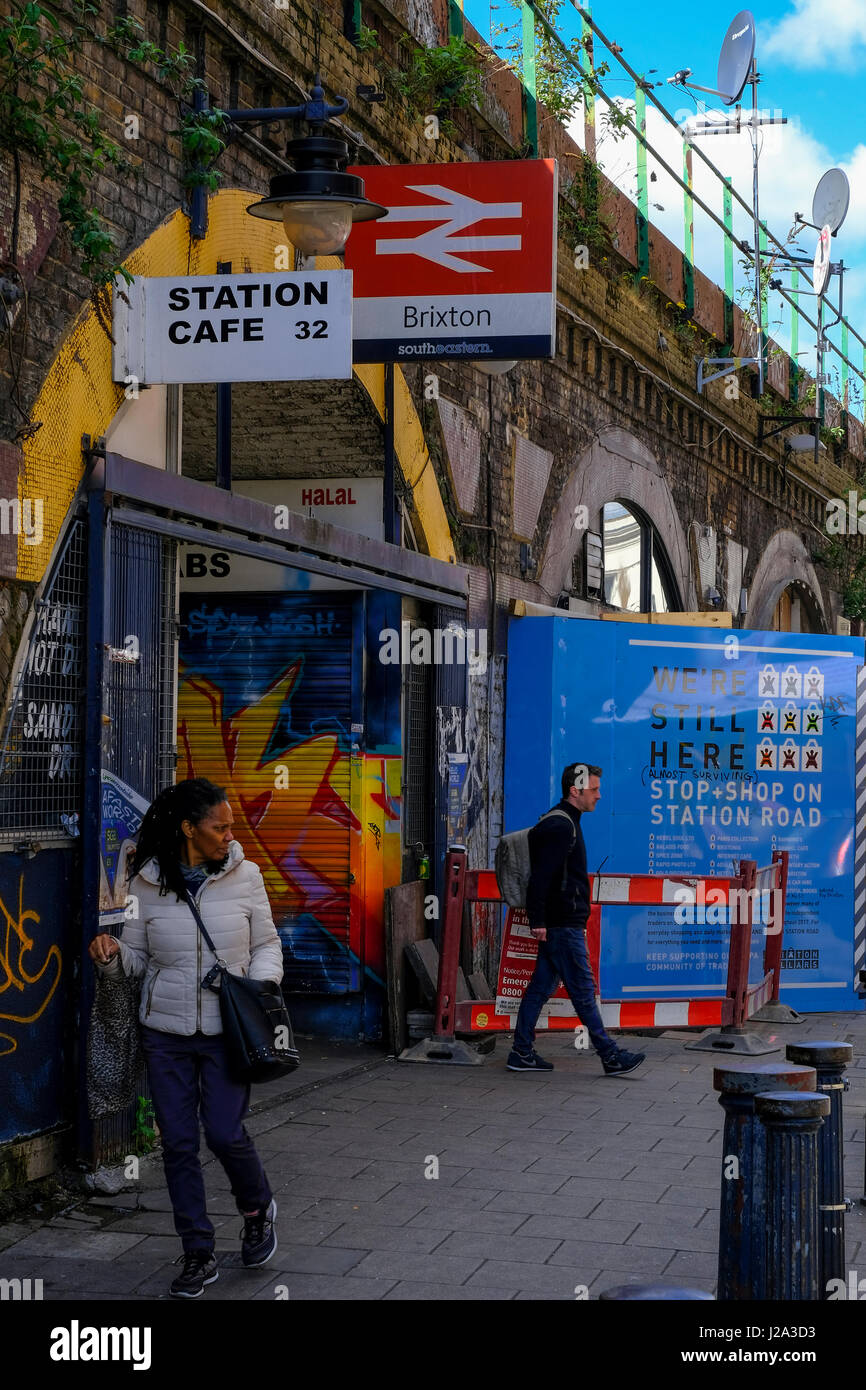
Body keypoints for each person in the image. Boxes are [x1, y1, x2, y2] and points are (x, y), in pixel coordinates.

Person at [88, 778, 285, 1298]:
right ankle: (197, 1251)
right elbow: (138, 957)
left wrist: (258, 985)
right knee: (177, 1143)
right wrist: (112, 957)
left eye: (229, 826)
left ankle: (257, 1206)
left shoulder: (247, 876)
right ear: (188, 829)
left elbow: (267, 943)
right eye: (219, 827)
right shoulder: (144, 883)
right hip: (166, 1032)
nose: (229, 834)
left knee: (223, 1133)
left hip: (228, 1032)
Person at [507, 761, 646, 1077]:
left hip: (560, 923)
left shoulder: (567, 821)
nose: (599, 795)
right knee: (583, 991)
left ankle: (521, 1053)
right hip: (561, 925)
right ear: (575, 790)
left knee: (540, 988)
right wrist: (538, 920)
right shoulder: (560, 826)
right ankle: (610, 1056)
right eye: (594, 789)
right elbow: (541, 878)